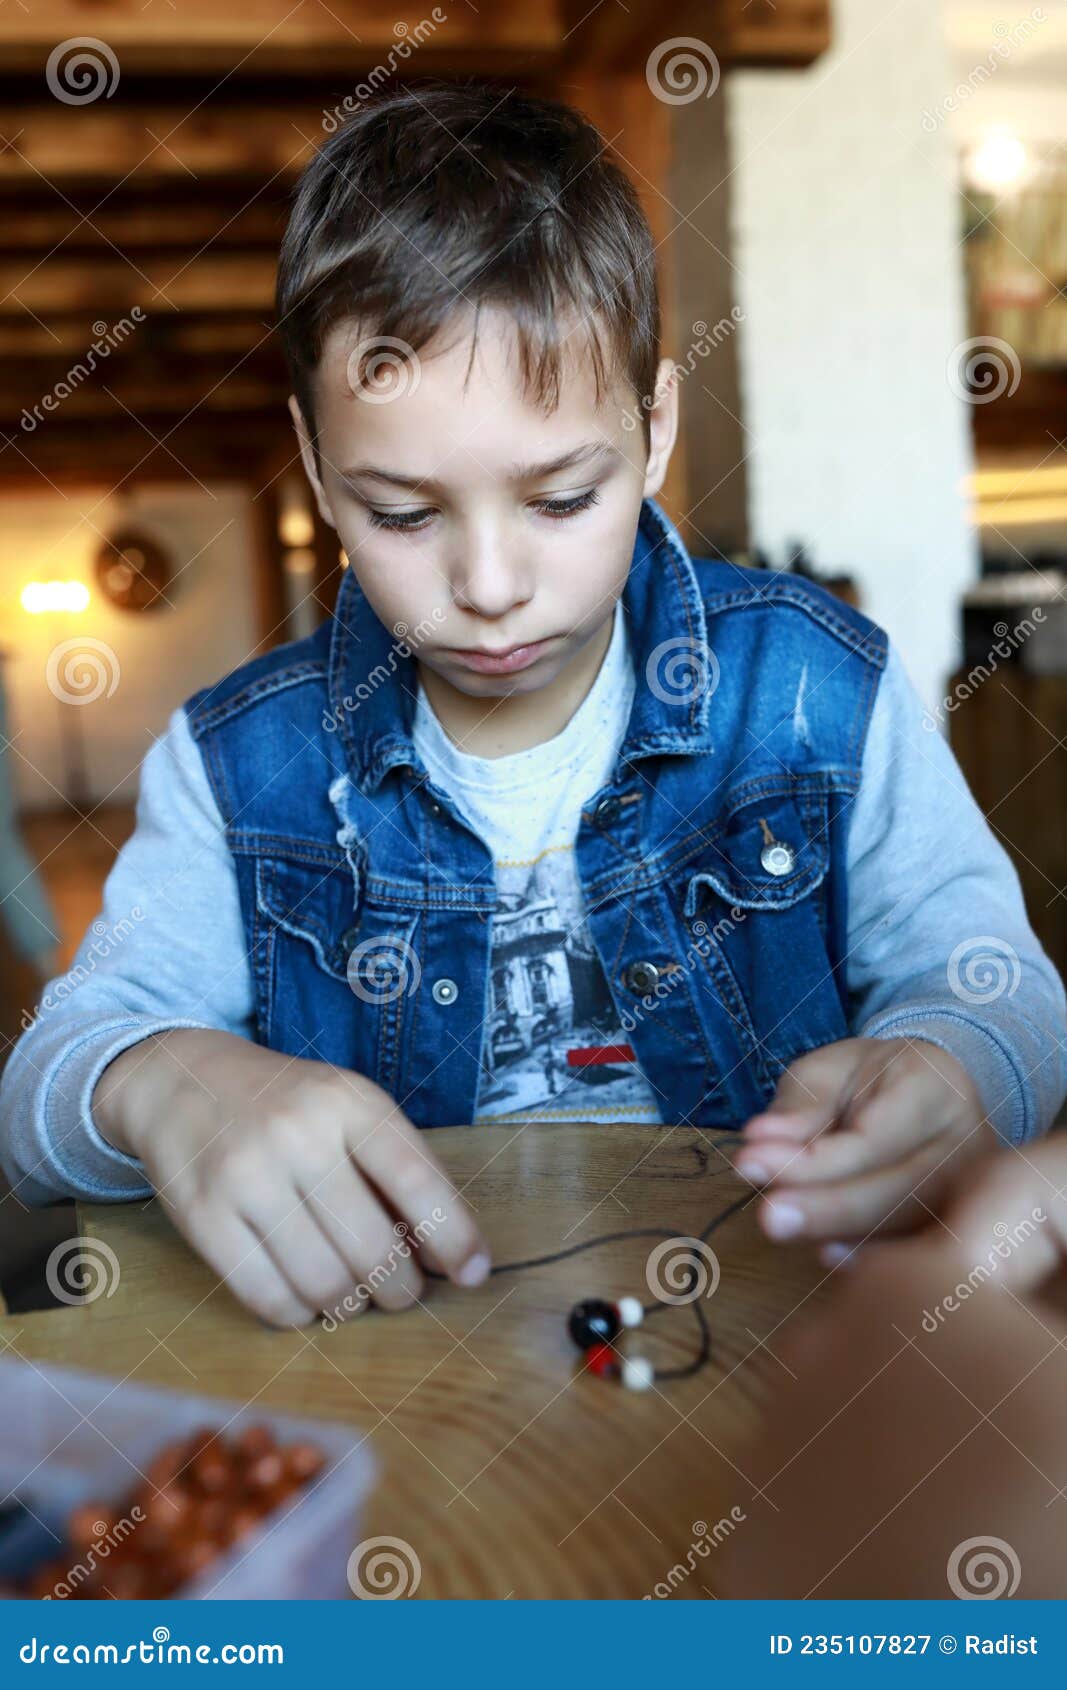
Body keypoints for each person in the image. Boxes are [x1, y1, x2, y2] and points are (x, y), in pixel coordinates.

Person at [0, 85, 1064, 1330]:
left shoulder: (814, 688)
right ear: (316, 472)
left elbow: (1003, 989)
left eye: (560, 498)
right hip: (402, 1399)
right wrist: (165, 1083)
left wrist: (954, 1062)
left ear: (655, 425)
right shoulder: (238, 765)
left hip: (779, 1375)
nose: (489, 589)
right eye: (402, 514)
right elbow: (36, 1101)